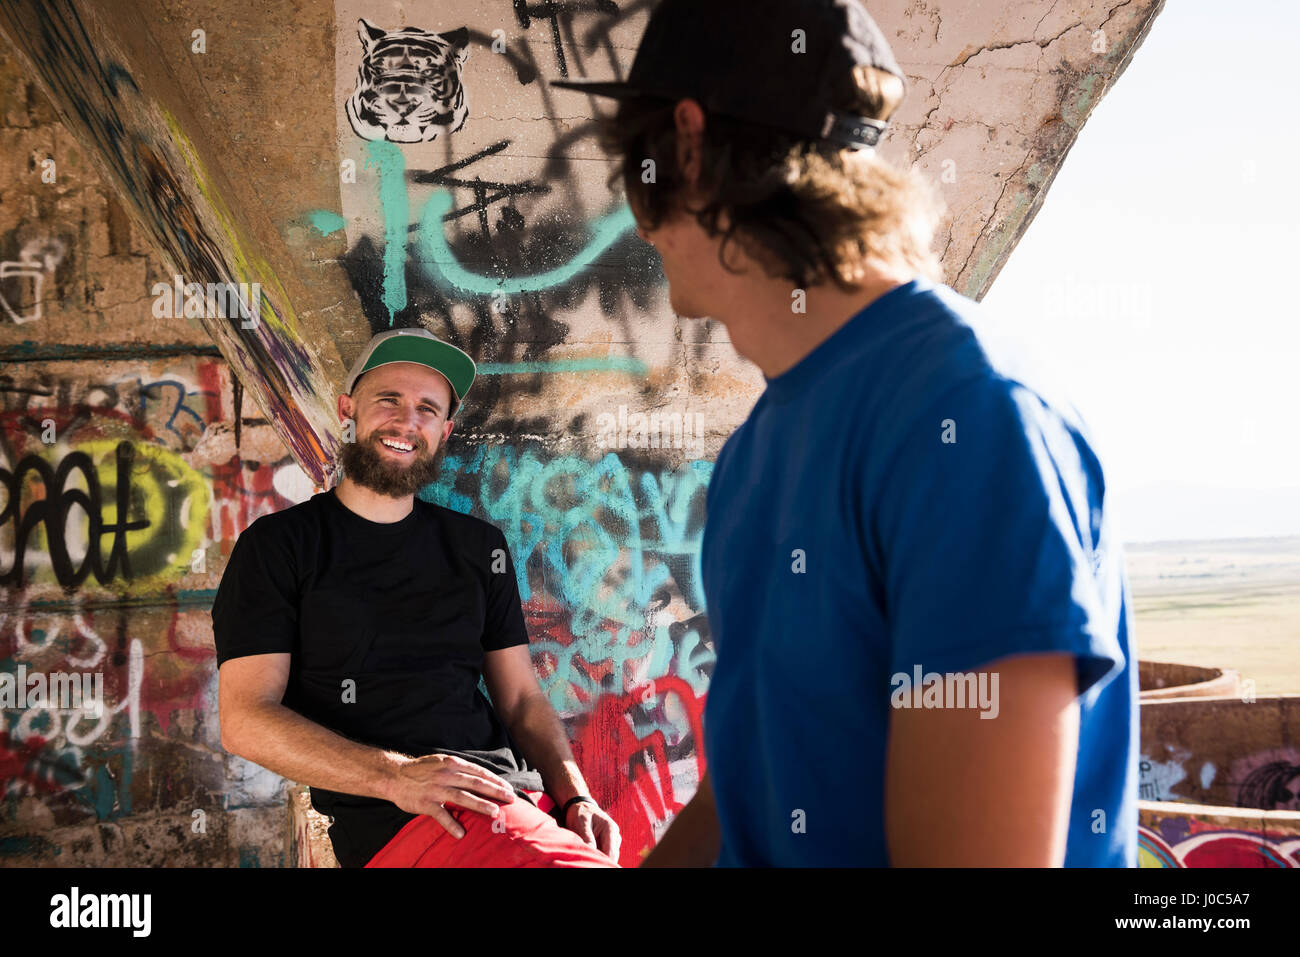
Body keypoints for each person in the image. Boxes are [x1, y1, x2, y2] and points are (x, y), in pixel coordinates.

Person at [554, 0, 1138, 866]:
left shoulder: (967, 416)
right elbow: (740, 796)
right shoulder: (761, 448)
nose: (631, 208)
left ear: (686, 146)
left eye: (630, 166)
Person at [212, 327, 620, 867]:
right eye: (388, 400)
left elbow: (521, 699)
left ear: (445, 430)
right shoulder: (278, 546)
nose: (408, 422)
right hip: (404, 822)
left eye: (427, 409)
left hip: (514, 800)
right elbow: (244, 719)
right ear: (347, 410)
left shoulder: (479, 548)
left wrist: (575, 795)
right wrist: (396, 777)